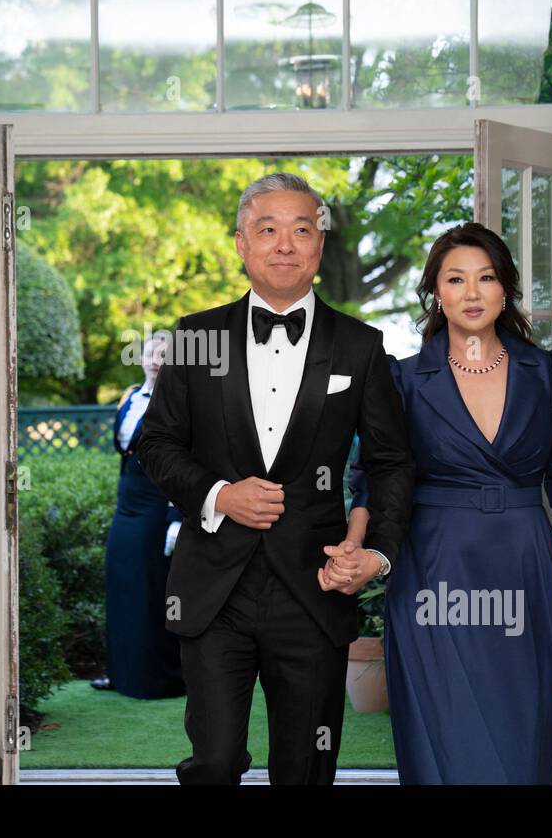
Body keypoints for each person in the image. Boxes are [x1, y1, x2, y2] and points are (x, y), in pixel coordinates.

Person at [135, 172, 415, 785]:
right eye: (267, 229)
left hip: (315, 588)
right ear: (241, 243)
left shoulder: (362, 347)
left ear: (319, 244)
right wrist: (219, 495)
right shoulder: (194, 336)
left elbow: (391, 462)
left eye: (301, 229)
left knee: (307, 766)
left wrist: (378, 553)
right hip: (213, 589)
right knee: (212, 762)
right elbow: (152, 444)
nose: (284, 244)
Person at [345, 222, 552, 784]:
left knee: (519, 730)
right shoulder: (402, 381)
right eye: (456, 279)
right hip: (434, 570)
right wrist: (356, 549)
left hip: (522, 565)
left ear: (505, 288)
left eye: (486, 278)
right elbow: (373, 481)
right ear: (437, 291)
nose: (473, 292)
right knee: (443, 731)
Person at [93, 336, 186, 699]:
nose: (155, 361)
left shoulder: (180, 405)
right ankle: (119, 673)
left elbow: (183, 467)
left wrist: (177, 518)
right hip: (126, 505)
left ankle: (157, 679)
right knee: (121, 586)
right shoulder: (130, 396)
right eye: (150, 354)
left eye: (164, 356)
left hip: (156, 506)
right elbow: (123, 453)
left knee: (151, 592)